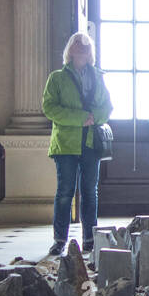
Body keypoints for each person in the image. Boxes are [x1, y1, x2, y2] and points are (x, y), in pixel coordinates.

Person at [42, 32, 112, 255]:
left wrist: (93, 118)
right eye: (77, 45)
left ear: (90, 51)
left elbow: (107, 107)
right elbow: (50, 108)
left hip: (91, 143)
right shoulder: (57, 78)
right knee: (65, 192)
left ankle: (90, 239)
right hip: (65, 145)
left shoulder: (98, 77)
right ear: (70, 49)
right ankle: (60, 239)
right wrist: (80, 118)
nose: (81, 49)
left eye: (86, 45)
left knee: (90, 192)